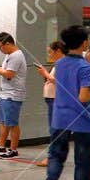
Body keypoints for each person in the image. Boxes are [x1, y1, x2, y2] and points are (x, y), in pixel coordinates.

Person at [41, 24, 90, 180]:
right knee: (82, 160)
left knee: (56, 155)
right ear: (84, 43)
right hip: (82, 121)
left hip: (60, 118)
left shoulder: (60, 63)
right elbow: (83, 97)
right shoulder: (86, 68)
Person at [0, 32, 26, 158]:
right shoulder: (9, 55)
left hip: (13, 94)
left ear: (8, 43)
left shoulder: (16, 56)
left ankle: (13, 149)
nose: (0, 50)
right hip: (6, 93)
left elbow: (9, 74)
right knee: (3, 121)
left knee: (12, 123)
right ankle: (1, 146)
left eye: (1, 47)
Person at [31, 39, 65, 168]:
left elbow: (59, 82)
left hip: (55, 99)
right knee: (54, 128)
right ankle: (56, 155)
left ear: (58, 51)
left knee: (54, 129)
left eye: (51, 52)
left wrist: (45, 73)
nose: (49, 55)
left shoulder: (62, 64)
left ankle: (53, 156)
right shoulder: (57, 64)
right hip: (51, 99)